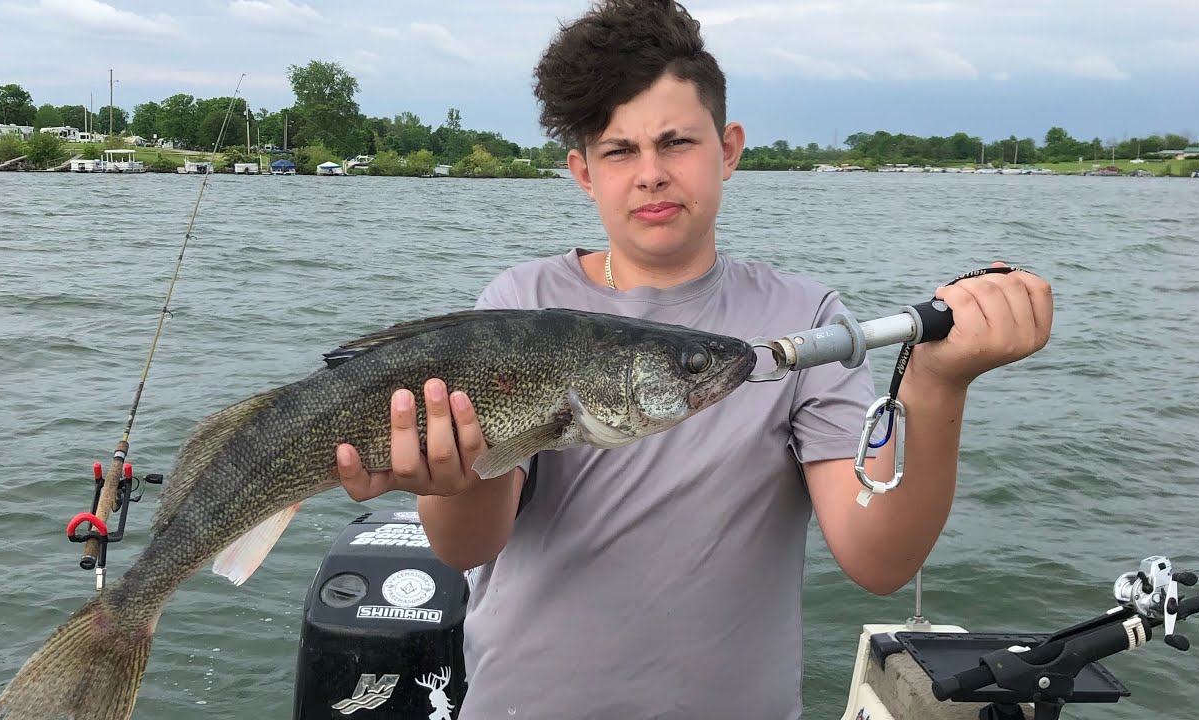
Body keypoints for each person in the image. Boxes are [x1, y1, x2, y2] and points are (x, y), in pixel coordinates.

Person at [335, 1, 1054, 717]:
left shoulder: (804, 319)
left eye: (676, 142)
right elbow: (467, 546)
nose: (650, 174)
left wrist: (938, 382)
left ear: (729, 148)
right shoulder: (519, 301)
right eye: (620, 151)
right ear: (583, 171)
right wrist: (450, 482)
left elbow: (880, 560)